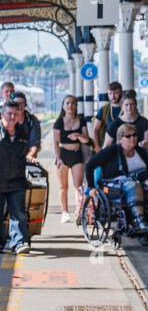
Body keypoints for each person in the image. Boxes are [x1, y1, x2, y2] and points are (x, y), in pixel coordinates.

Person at [0, 99, 40, 254]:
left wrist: (29, 158)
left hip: (16, 180)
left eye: (15, 114)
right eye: (9, 113)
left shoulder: (22, 132)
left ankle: (19, 243)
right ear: (2, 114)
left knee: (18, 213)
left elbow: (23, 153)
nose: (12, 117)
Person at [85, 124, 148, 235]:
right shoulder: (111, 151)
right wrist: (90, 187)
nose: (132, 138)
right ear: (120, 139)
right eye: (128, 136)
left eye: (134, 135)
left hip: (140, 181)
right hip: (114, 184)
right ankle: (139, 220)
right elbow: (90, 165)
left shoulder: (140, 151)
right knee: (133, 185)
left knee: (137, 184)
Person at [52, 94, 92, 223]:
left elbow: (87, 139)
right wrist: (58, 158)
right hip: (63, 155)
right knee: (64, 187)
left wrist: (79, 136)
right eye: (68, 103)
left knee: (78, 186)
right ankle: (64, 212)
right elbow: (56, 143)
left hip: (76, 154)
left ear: (76, 106)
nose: (70, 106)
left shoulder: (82, 120)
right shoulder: (59, 122)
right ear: (63, 106)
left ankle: (79, 210)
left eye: (73, 103)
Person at [92, 81, 125, 147]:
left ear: (121, 93)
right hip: (107, 146)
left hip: (125, 145)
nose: (113, 96)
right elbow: (95, 129)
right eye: (110, 93)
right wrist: (97, 147)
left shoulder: (127, 108)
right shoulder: (104, 109)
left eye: (116, 93)